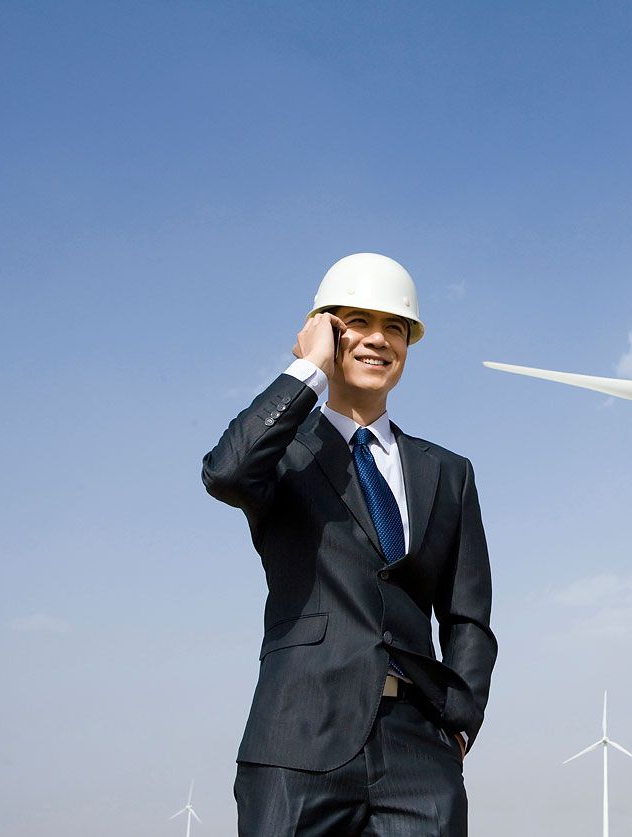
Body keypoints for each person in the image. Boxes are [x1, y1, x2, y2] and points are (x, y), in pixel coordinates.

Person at [201, 252, 497, 836]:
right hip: (298, 737)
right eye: (357, 322)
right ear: (324, 330)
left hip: (420, 749)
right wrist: (306, 372)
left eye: (395, 327)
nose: (378, 340)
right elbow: (226, 473)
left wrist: (459, 720)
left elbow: (468, 615)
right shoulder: (282, 454)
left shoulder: (449, 472)